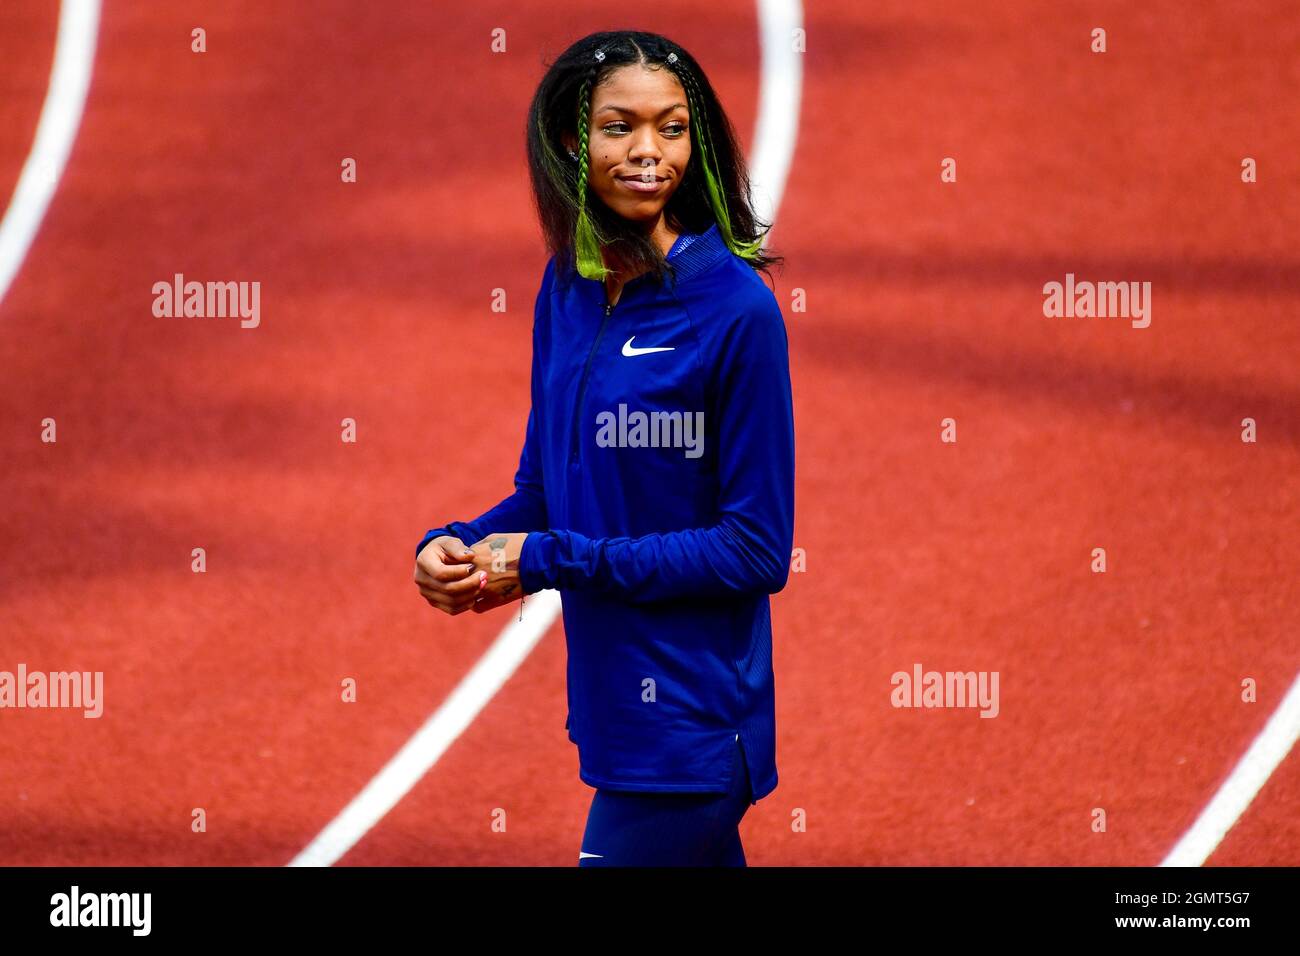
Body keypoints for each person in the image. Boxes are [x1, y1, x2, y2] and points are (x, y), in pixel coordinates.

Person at [413, 30, 794, 867]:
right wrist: (464, 548)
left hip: (692, 729)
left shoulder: (735, 312)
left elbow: (758, 549)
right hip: (613, 720)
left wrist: (550, 560)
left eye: (672, 128)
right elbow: (544, 488)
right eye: (619, 127)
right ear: (567, 141)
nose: (649, 153)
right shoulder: (568, 287)